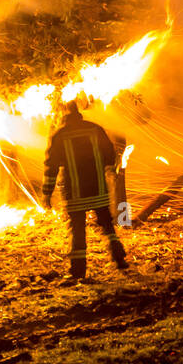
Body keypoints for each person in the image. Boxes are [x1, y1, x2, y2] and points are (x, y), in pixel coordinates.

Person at [42, 103, 129, 281]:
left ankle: (78, 271)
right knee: (107, 224)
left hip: (75, 192)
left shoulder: (59, 135)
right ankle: (119, 258)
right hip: (98, 188)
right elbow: (110, 154)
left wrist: (47, 193)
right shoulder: (94, 129)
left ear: (63, 114)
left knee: (78, 230)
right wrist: (105, 168)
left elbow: (51, 167)